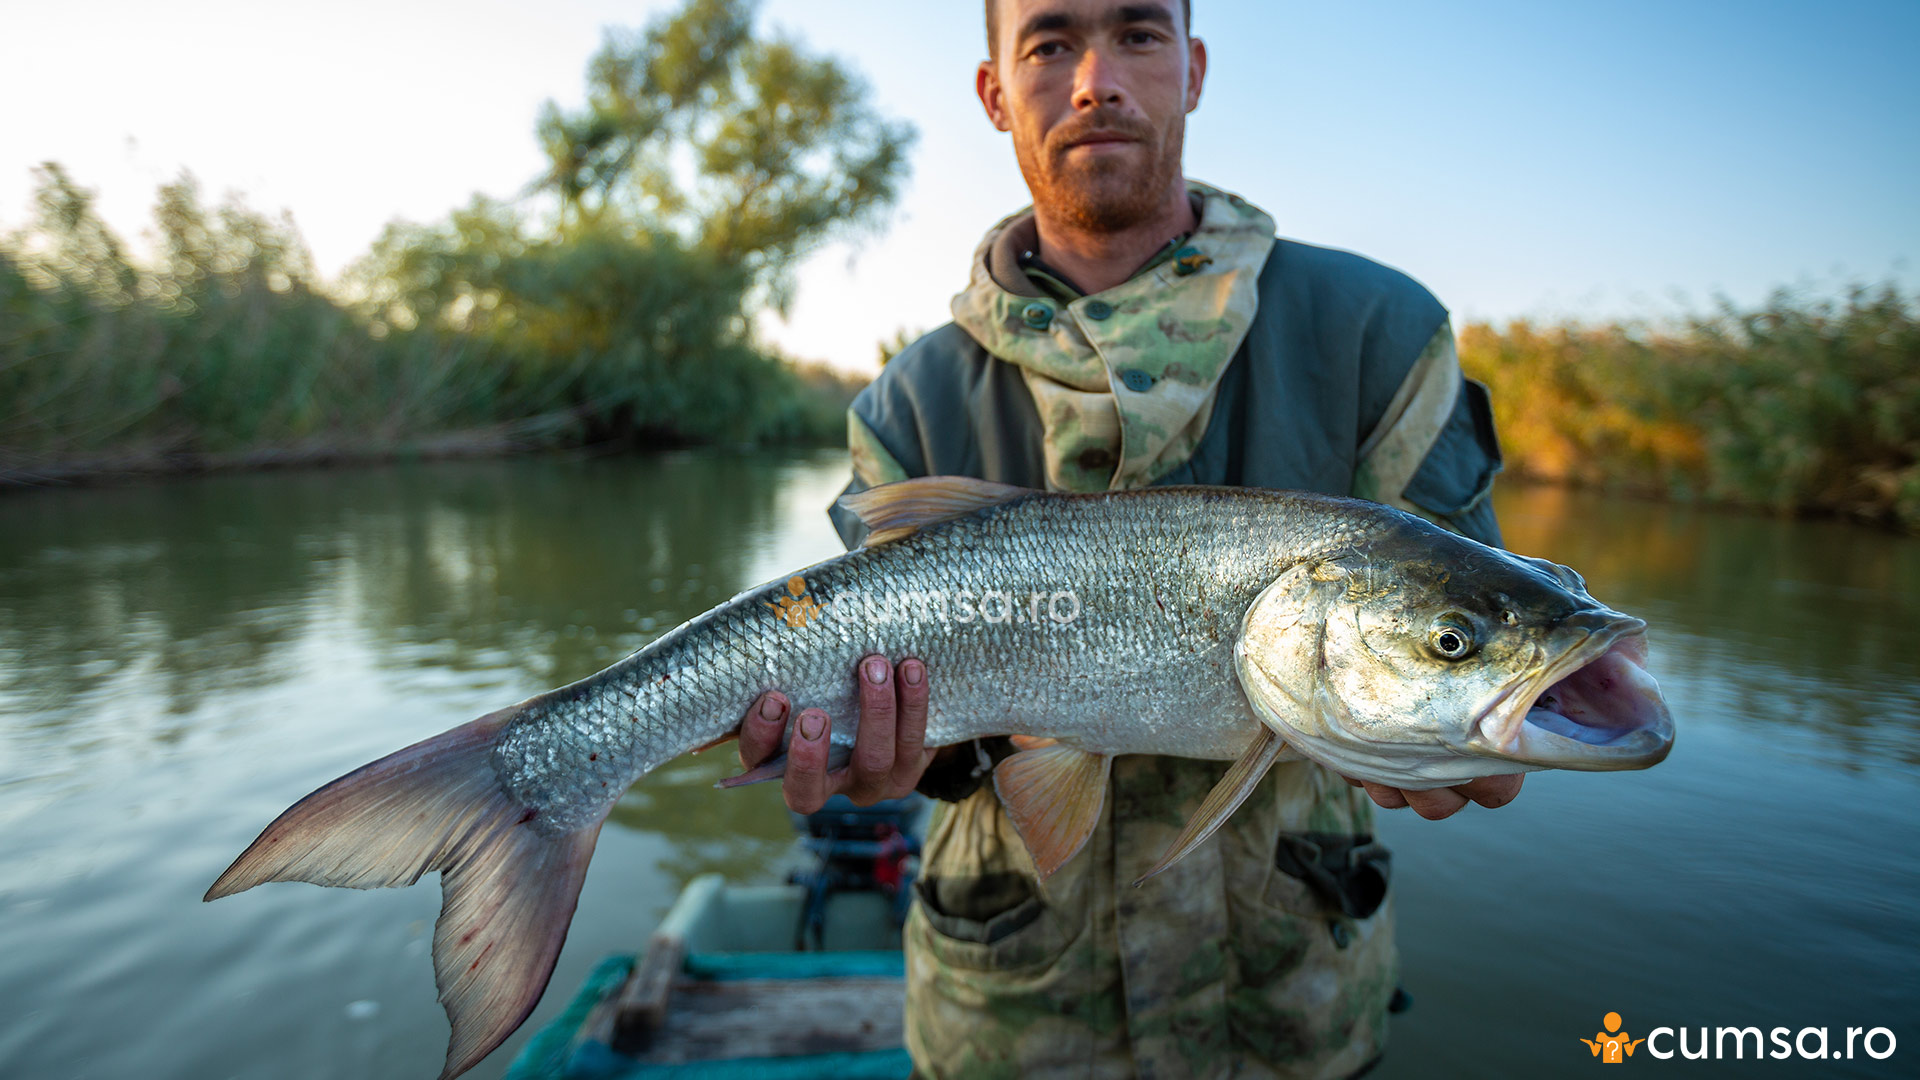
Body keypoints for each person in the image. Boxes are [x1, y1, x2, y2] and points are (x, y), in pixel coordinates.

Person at [737, 1, 1519, 1075]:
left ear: (1193, 68)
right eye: (1051, 43)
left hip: (1292, 1007)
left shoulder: (1380, 331)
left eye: (1139, 35)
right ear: (993, 92)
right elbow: (895, 744)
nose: (1097, 79)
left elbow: (1460, 615)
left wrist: (1446, 726)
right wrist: (895, 760)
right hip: (1009, 1018)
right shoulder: (903, 401)